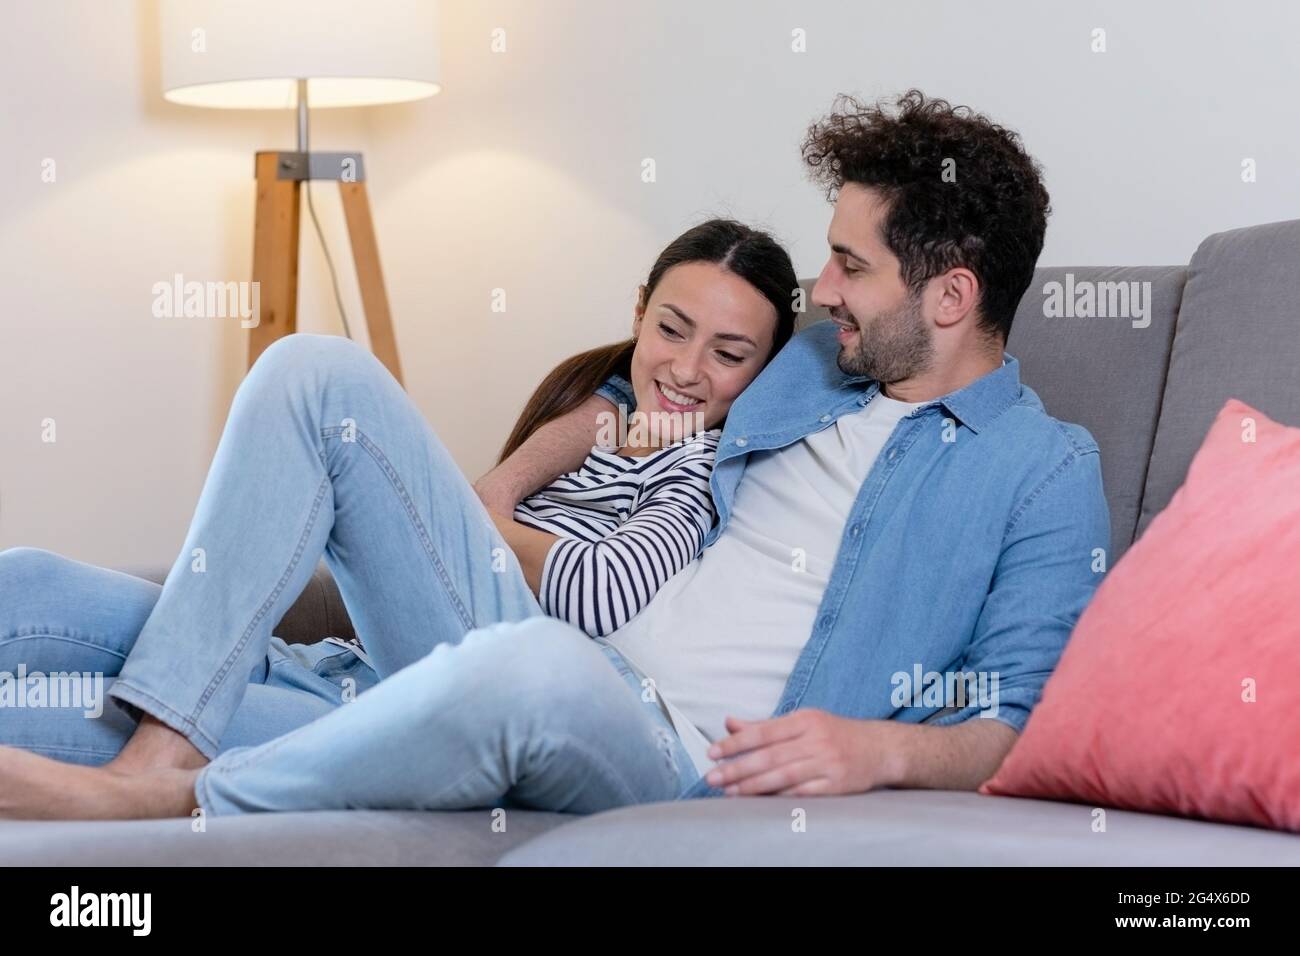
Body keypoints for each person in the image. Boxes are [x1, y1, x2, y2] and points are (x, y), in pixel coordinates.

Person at [0, 89, 1108, 819]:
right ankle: (166, 753)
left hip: (660, 749)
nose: (820, 292)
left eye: (848, 267)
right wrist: (533, 458)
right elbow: (641, 392)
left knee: (528, 669)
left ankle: (176, 793)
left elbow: (1012, 720)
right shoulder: (812, 367)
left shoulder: (1044, 472)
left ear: (951, 296)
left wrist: (877, 748)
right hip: (525, 641)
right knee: (303, 380)